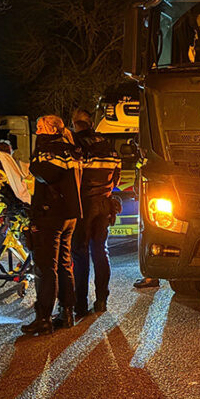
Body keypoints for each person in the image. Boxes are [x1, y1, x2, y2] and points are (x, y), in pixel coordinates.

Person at [21, 115, 82, 335]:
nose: (37, 132)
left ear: (51, 129)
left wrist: (35, 159)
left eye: (40, 127)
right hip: (69, 216)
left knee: (45, 267)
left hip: (50, 214)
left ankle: (44, 318)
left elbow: (43, 173)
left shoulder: (50, 150)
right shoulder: (71, 148)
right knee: (64, 264)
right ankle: (67, 313)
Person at [70, 108, 119, 316]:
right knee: (101, 252)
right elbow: (115, 178)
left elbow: (72, 176)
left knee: (80, 254)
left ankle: (80, 304)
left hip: (84, 205)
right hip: (104, 202)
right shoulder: (108, 145)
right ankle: (101, 300)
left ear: (75, 124)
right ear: (91, 123)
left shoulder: (74, 143)